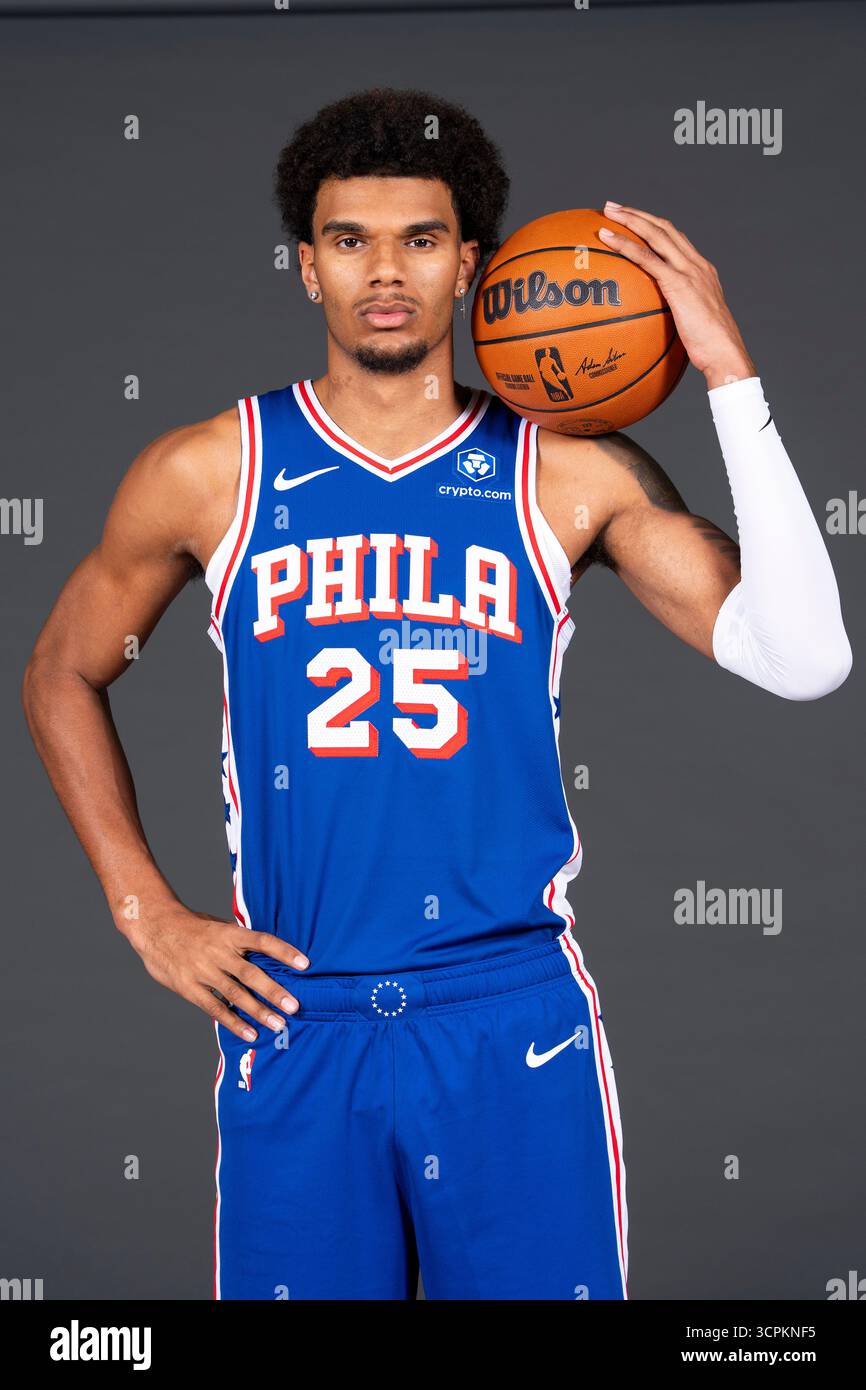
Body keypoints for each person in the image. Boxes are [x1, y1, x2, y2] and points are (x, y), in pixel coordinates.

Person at [22, 87, 852, 1301]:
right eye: (348, 241)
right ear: (306, 267)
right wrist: (147, 912)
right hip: (292, 1012)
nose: (383, 271)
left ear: (472, 263)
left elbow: (805, 655)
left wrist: (726, 372)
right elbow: (60, 669)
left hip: (507, 1012)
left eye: (418, 239)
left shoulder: (566, 474)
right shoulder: (210, 470)